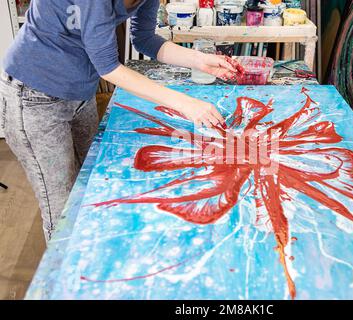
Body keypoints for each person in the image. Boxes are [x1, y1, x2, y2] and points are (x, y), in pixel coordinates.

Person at [0, 0, 239, 242]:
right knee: (63, 210)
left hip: (80, 92)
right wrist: (186, 104)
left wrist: (199, 60)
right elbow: (108, 68)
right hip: (34, 93)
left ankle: (94, 252)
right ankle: (71, 272)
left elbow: (144, 38)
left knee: (94, 184)